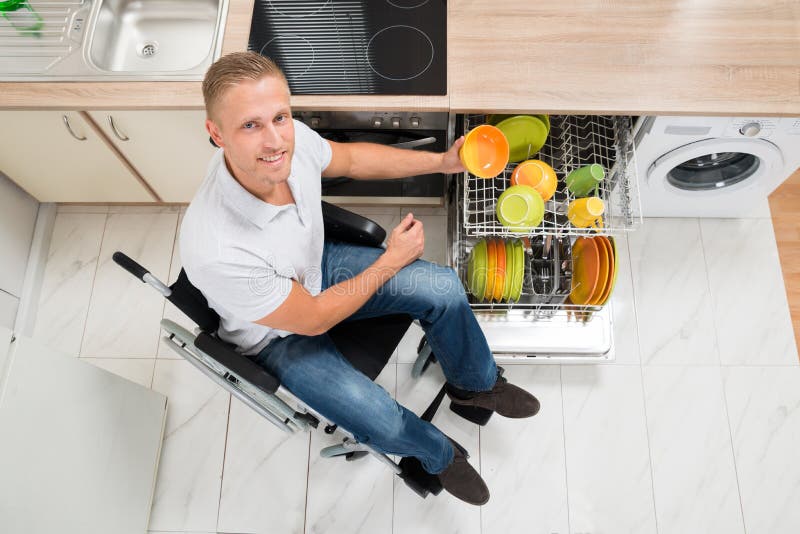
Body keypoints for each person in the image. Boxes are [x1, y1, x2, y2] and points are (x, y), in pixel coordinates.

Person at [180, 51, 540, 506]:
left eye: (280, 117)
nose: (275, 141)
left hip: (314, 269)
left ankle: (475, 388)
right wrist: (390, 261)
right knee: (383, 421)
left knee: (443, 288)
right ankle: (438, 455)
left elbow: (349, 159)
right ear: (216, 133)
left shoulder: (288, 141)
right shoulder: (216, 247)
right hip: (279, 334)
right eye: (250, 126)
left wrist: (440, 164)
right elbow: (310, 318)